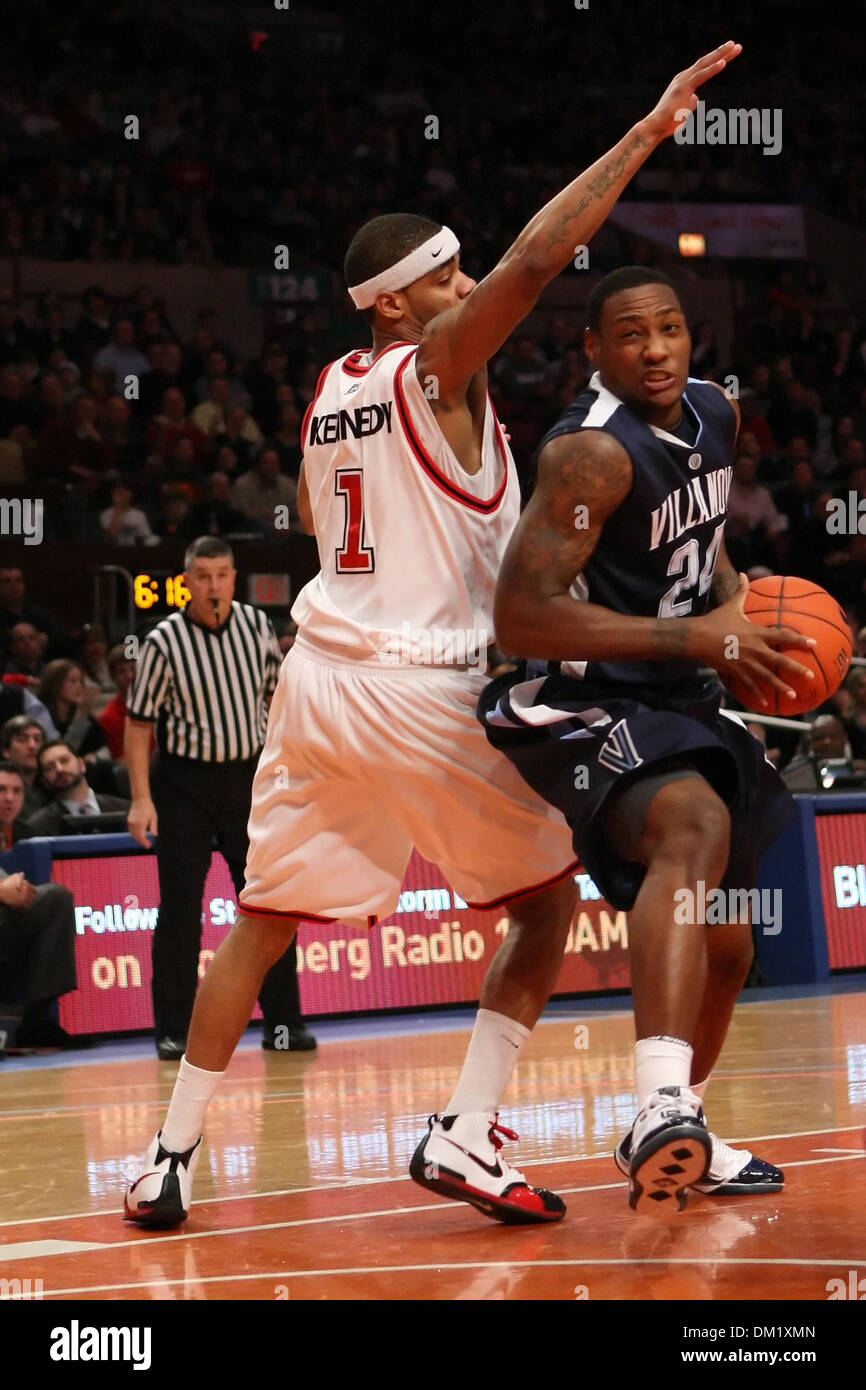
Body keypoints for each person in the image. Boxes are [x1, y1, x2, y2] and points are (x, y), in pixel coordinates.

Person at [123, 42, 745, 1229]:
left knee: (256, 925)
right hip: (416, 685)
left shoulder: (324, 391)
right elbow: (536, 257)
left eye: (464, 278)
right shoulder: (431, 370)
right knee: (547, 901)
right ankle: (463, 1131)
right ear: (399, 302)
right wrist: (649, 130)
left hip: (313, 684)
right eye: (449, 280)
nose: (472, 291)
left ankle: (167, 1157)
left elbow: (326, 525)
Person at [476, 264, 815, 1213]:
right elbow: (521, 616)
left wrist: (743, 615)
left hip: (681, 685)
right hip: (583, 693)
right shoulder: (589, 456)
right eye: (631, 334)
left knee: (731, 945)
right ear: (594, 349)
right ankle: (656, 1101)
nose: (656, 349)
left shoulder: (715, 413)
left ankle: (681, 1126)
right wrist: (698, 637)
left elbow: (700, 544)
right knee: (692, 828)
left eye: (669, 329)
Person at [123, 535, 314, 1060]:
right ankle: (175, 1031)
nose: (213, 585)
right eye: (202, 575)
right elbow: (138, 727)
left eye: (222, 575)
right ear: (187, 581)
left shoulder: (257, 627)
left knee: (268, 905)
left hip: (247, 780)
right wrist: (141, 799)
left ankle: (284, 1025)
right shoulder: (162, 641)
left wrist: (288, 773)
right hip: (182, 783)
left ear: (234, 577)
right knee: (182, 911)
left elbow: (277, 701)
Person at [0, 762, 79, 1048]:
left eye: (17, 791)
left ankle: (38, 1019)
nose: (9, 798)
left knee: (56, 897)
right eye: (2, 790)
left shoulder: (27, 831)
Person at [25, 740, 129, 834]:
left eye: (64, 760)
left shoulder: (127, 810)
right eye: (49, 767)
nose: (59, 769)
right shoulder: (37, 826)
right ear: (44, 781)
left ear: (82, 764)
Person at [0, 715, 48, 818]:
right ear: (6, 751)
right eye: (22, 739)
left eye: (38, 740)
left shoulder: (48, 787)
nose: (32, 745)